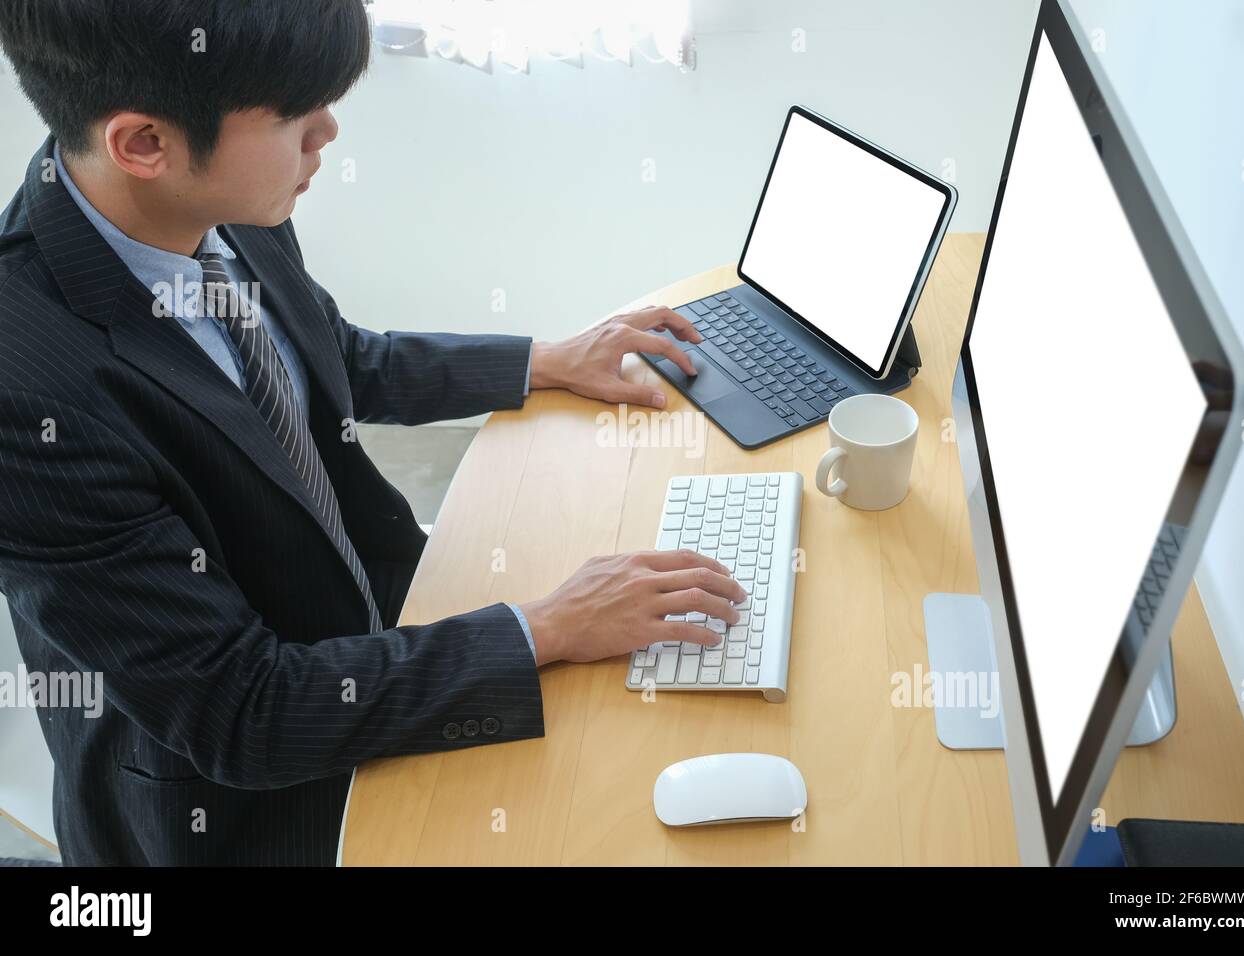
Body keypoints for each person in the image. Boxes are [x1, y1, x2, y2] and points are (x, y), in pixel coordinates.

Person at [0, 0, 744, 865]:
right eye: (295, 117)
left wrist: (544, 359)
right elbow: (244, 712)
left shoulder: (218, 201)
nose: (329, 133)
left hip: (361, 633)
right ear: (144, 144)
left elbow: (330, 356)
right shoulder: (27, 393)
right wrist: (544, 628)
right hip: (243, 805)